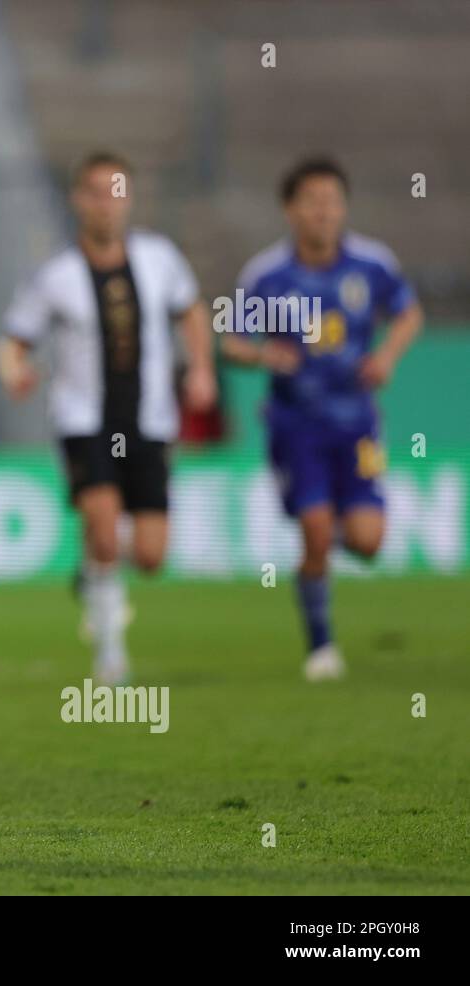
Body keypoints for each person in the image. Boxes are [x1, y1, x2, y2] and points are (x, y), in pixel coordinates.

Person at [0, 152, 215, 684]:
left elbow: (191, 311)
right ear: (78, 200)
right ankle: (110, 653)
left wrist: (202, 370)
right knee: (100, 524)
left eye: (115, 191)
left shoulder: (160, 259)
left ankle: (91, 573)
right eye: (95, 191)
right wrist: (15, 372)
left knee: (150, 555)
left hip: (150, 422)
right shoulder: (58, 275)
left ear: (129, 197)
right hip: (84, 421)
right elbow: (13, 340)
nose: (106, 203)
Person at [223, 157, 422, 681]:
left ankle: (322, 542)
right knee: (314, 528)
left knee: (368, 542)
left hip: (358, 423)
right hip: (296, 423)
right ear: (290, 209)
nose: (323, 212)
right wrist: (265, 356)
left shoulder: (371, 264)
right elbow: (231, 340)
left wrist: (386, 358)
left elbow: (409, 312)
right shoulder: (267, 275)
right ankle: (321, 647)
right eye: (312, 202)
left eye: (332, 202)